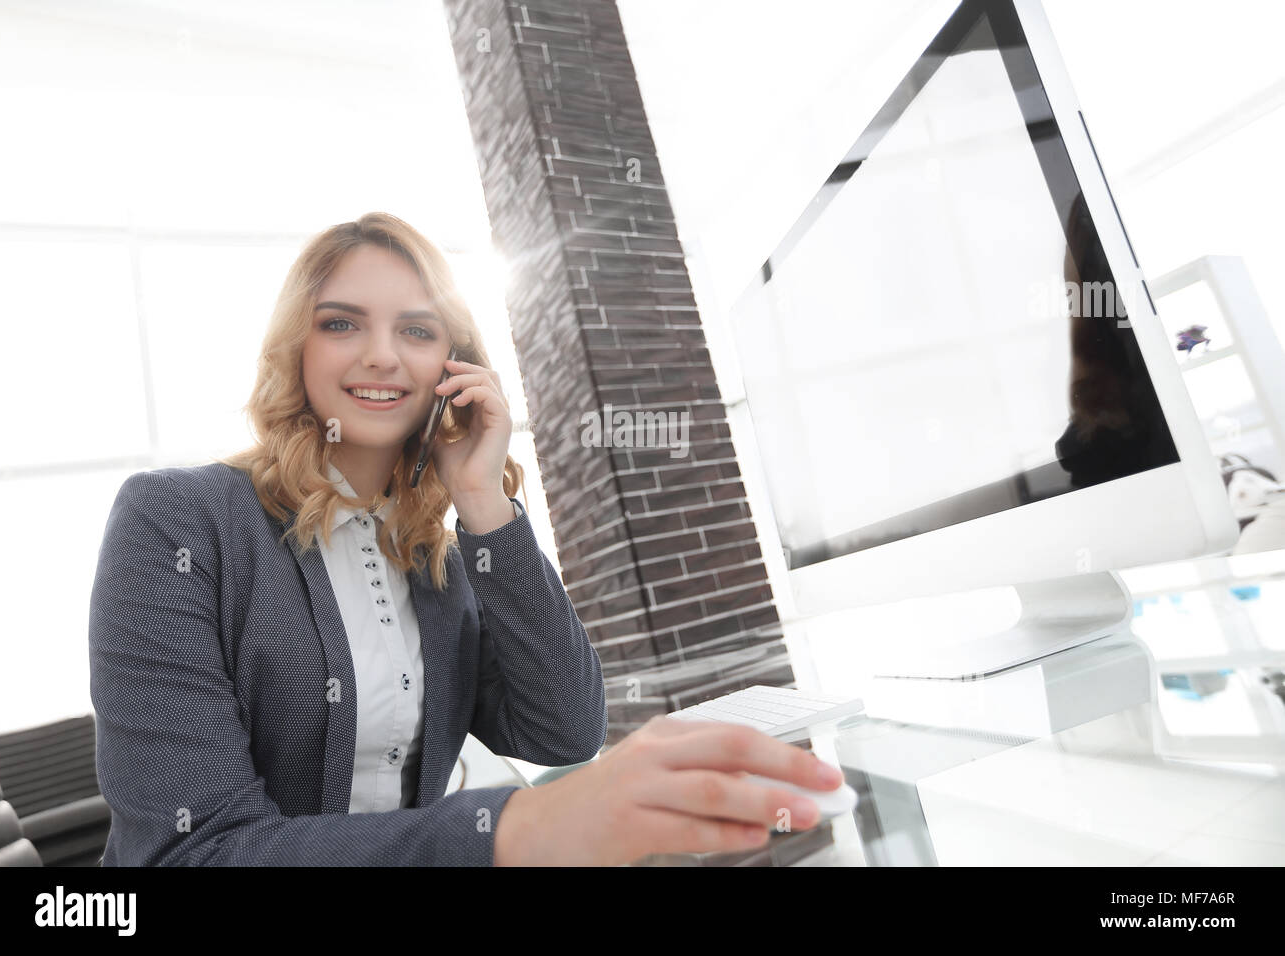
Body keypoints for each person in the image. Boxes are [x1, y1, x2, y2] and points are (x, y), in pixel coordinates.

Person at [89, 211, 841, 866]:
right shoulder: (178, 522)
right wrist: (515, 833)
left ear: (453, 365)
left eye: (416, 330)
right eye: (342, 322)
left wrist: (482, 498)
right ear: (298, 348)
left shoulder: (434, 558)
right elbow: (195, 854)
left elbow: (566, 729)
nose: (383, 354)